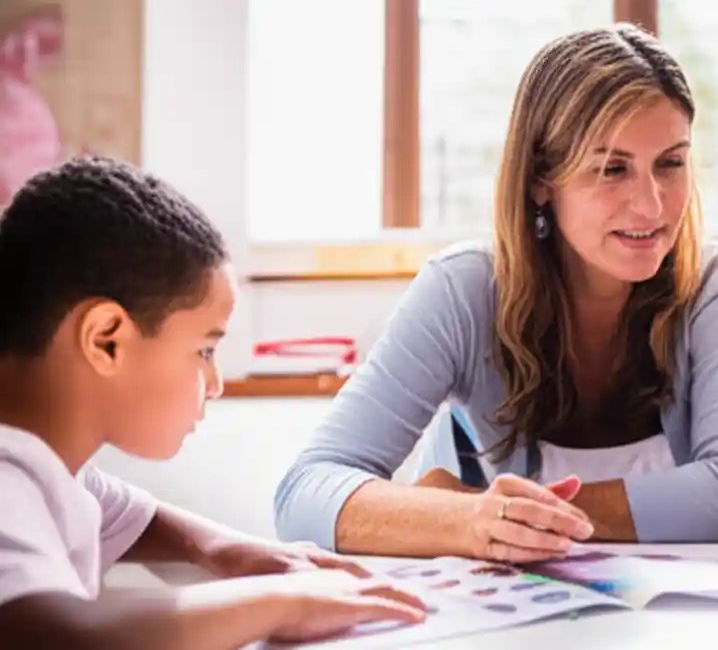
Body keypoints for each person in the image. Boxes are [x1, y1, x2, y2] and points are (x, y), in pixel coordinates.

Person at [274, 24, 718, 561]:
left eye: (670, 163)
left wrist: (505, 515)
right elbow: (304, 493)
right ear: (542, 179)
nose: (652, 206)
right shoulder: (463, 290)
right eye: (612, 169)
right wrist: (468, 522)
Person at [0, 157, 426, 648]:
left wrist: (227, 548)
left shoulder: (48, 463)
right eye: (204, 350)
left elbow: (122, 510)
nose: (216, 382)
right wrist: (281, 602)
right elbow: (55, 632)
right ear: (105, 340)